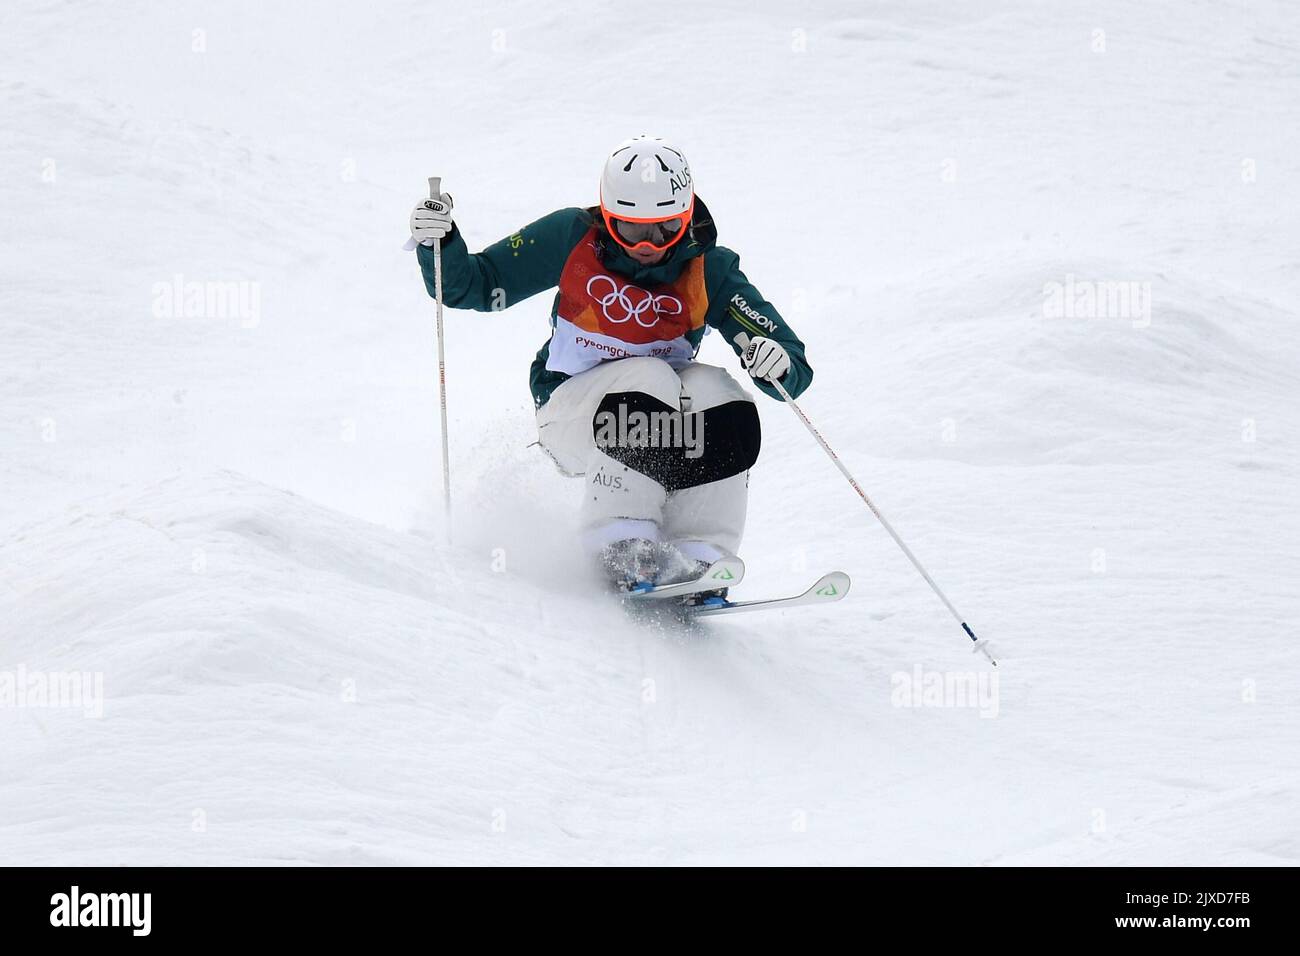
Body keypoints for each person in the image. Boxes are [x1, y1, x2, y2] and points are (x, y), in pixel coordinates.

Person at [410, 135, 813, 592]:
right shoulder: (572, 237)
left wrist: (778, 364)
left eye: (664, 229)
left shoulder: (708, 269)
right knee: (652, 376)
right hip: (571, 414)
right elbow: (477, 285)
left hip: (657, 425)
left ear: (687, 217)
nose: (647, 244)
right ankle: (619, 542)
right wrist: (439, 244)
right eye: (630, 228)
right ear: (607, 217)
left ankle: (699, 555)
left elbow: (789, 361)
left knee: (720, 395)